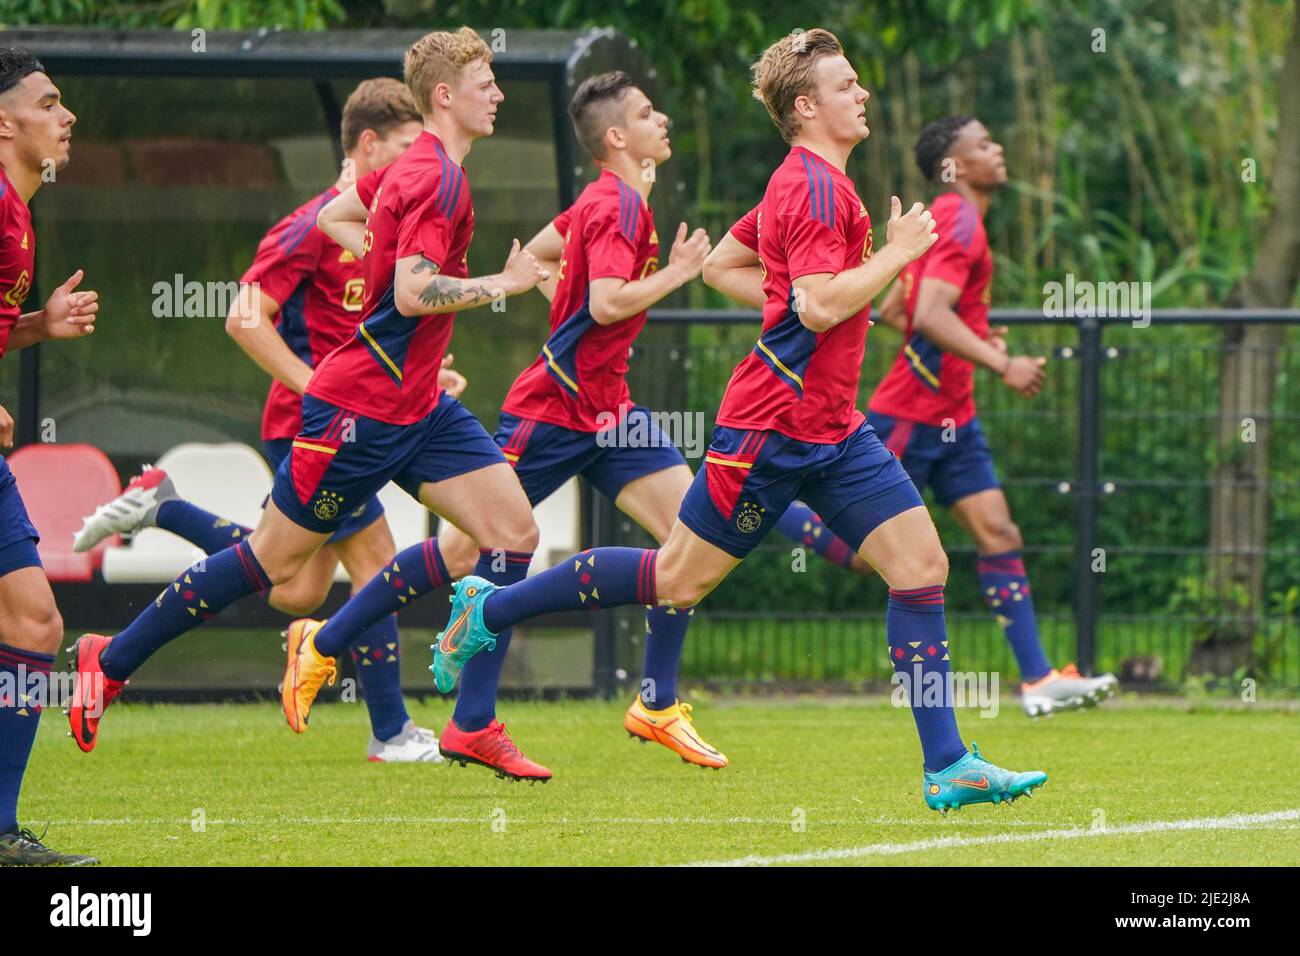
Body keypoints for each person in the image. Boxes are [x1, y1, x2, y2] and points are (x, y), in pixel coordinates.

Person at [392, 28, 1047, 812]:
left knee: (921, 567)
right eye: (846, 86)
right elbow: (816, 300)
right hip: (769, 429)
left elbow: (735, 268)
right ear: (806, 107)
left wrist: (819, 290)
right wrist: (898, 253)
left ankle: (947, 765)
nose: (862, 94)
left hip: (834, 428)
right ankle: (489, 608)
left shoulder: (813, 183)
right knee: (674, 577)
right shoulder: (809, 188)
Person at [68, 30, 548, 780]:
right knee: (277, 570)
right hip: (354, 413)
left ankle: (472, 722)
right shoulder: (437, 178)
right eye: (487, 82)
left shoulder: (420, 170)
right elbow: (412, 291)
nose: (500, 94)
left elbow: (337, 221)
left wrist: (379, 249)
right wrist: (504, 285)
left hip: (417, 406)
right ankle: (112, 659)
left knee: (514, 532)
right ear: (446, 96)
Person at [309, 71, 724, 770]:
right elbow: (607, 304)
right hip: (555, 408)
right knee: (470, 552)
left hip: (609, 409)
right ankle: (329, 645)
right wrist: (674, 274)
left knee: (692, 546)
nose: (665, 123)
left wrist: (548, 291)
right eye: (651, 114)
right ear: (618, 137)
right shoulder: (615, 203)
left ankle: (654, 702)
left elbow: (537, 259)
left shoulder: (611, 202)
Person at [708, 115, 1117, 716]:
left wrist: (976, 337)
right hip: (915, 411)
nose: (998, 148)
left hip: (956, 414)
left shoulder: (955, 220)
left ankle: (1037, 678)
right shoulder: (957, 216)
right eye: (983, 144)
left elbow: (900, 307)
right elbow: (927, 311)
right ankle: (758, 505)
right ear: (955, 164)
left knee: (999, 533)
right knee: (858, 553)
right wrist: (1001, 364)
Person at [0, 48, 100, 865]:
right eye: (49, 102)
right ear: (5, 121)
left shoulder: (19, 213)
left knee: (35, 620)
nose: (66, 117)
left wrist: (39, 323)